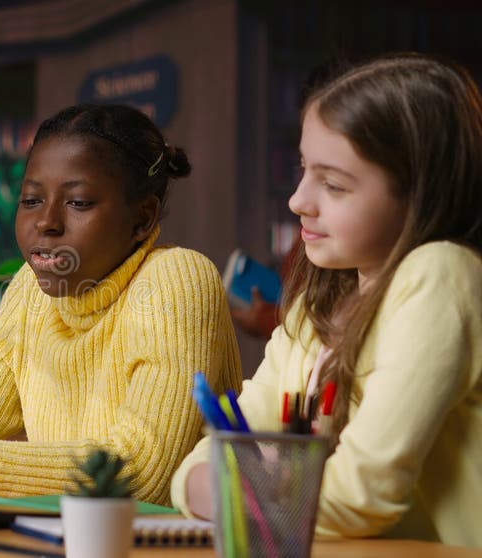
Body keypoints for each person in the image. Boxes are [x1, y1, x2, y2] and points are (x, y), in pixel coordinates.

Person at [170, 53, 482, 548]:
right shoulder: (315, 303)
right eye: (304, 169)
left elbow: (360, 495)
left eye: (334, 184)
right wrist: (246, 490)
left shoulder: (440, 274)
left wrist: (239, 491)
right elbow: (201, 464)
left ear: (421, 194)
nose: (298, 200)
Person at [0, 104, 242, 505]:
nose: (46, 222)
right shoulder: (29, 290)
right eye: (31, 200)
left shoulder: (177, 279)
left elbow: (135, 471)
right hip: (64, 534)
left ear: (142, 218)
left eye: (78, 203)